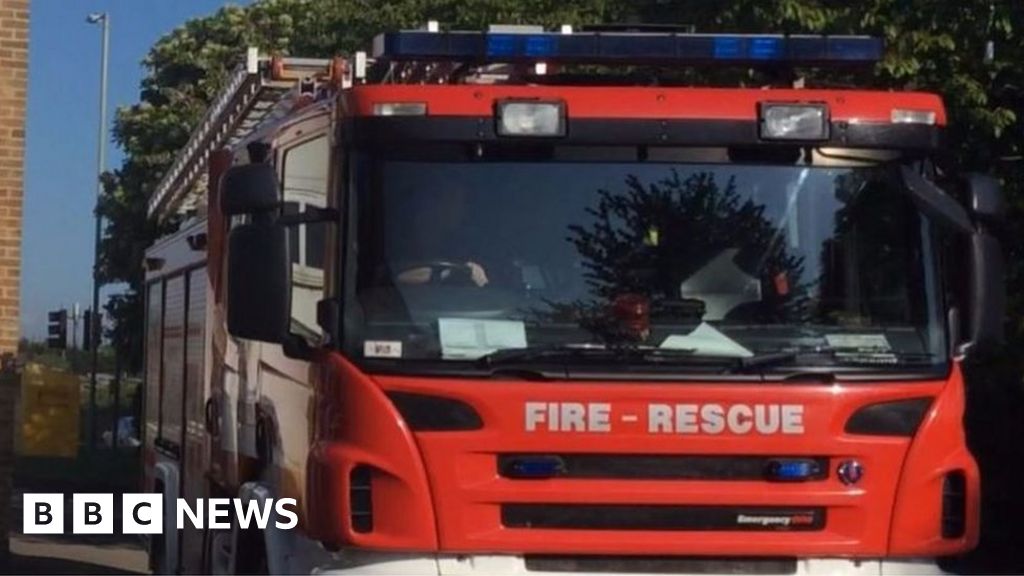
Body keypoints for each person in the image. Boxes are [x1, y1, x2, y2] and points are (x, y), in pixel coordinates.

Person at [392, 182, 490, 287]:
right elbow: (395, 277)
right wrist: (449, 273)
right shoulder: (398, 243)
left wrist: (477, 275)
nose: (461, 208)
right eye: (452, 199)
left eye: (462, 201)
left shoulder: (460, 246)